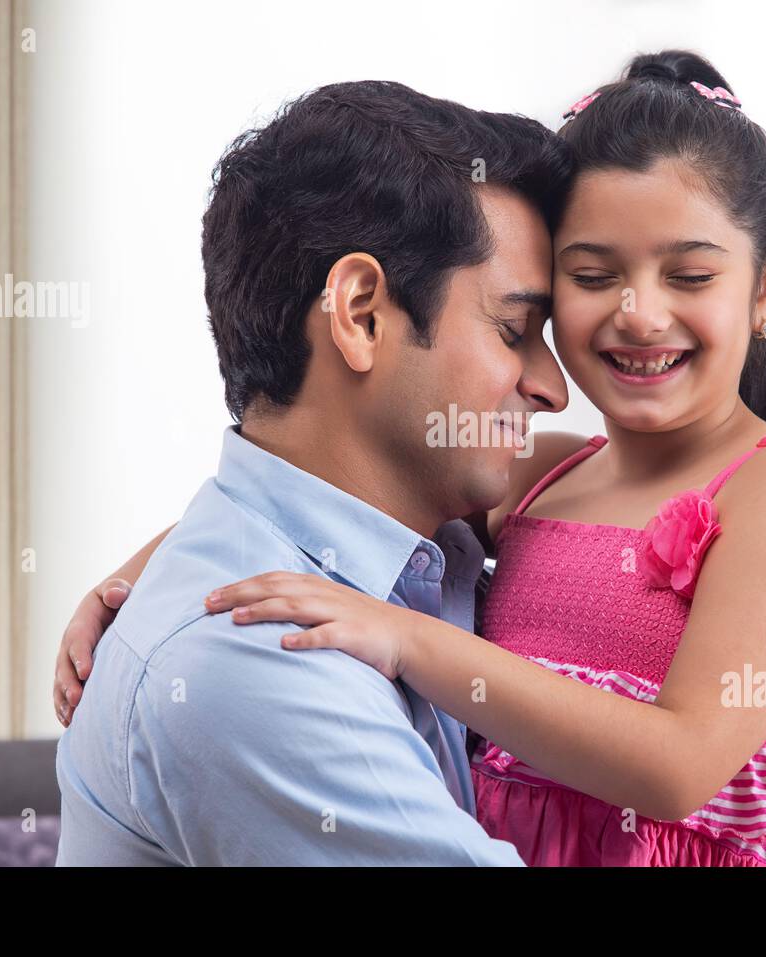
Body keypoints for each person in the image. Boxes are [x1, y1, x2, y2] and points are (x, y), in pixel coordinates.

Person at [58, 51, 766, 867]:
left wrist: (407, 637)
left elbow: (680, 764)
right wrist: (142, 581)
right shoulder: (540, 477)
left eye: (690, 273)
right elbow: (283, 509)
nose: (640, 313)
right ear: (360, 316)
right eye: (589, 278)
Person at [54, 79, 573, 865]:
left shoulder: (427, 564)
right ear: (361, 313)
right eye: (514, 329)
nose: (552, 386)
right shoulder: (255, 656)